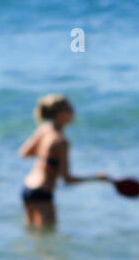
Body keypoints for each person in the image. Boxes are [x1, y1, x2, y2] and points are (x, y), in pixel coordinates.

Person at [18, 94, 109, 229]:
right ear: (60, 114)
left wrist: (47, 157)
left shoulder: (44, 129)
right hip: (43, 192)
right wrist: (96, 178)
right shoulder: (61, 141)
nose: (73, 112)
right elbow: (67, 179)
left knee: (32, 233)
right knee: (46, 236)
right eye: (70, 109)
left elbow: (24, 153)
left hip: (28, 188)